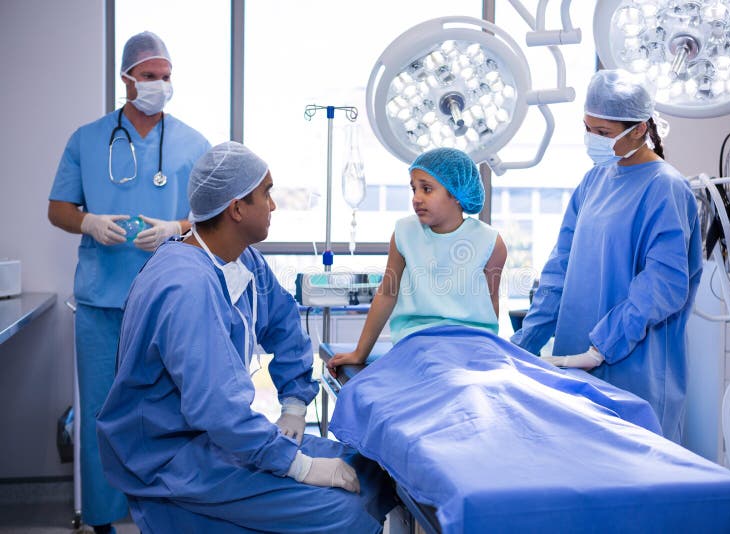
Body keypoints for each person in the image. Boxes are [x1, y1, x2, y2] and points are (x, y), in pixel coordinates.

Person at [96, 141, 393, 533]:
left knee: (372, 472)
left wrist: (294, 404)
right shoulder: (186, 286)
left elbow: (284, 323)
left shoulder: (241, 260)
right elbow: (218, 409)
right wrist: (299, 465)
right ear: (237, 208)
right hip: (171, 455)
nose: (273, 205)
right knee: (345, 512)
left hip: (219, 438)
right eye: (266, 193)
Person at [47, 31, 210, 532]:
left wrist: (174, 228)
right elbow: (58, 209)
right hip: (102, 302)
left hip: (167, 299)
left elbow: (209, 217)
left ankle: (167, 511)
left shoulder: (193, 143)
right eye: (149, 77)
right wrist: (89, 222)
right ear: (127, 80)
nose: (159, 85)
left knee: (169, 410)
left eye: (165, 77)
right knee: (100, 412)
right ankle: (103, 516)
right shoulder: (87, 139)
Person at [510, 69, 703, 443]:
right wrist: (523, 346)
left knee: (638, 484)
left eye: (602, 133)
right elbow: (559, 271)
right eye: (587, 129)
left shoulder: (665, 188)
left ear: (638, 129)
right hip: (572, 364)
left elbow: (663, 286)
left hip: (635, 372)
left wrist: (601, 348)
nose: (591, 140)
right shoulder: (593, 182)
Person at [328, 147, 507, 374]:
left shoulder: (489, 241)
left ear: (456, 193)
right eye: (414, 189)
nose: (416, 198)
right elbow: (387, 294)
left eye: (427, 189)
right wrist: (359, 352)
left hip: (473, 345)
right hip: (417, 342)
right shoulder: (405, 233)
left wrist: (489, 357)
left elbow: (491, 304)